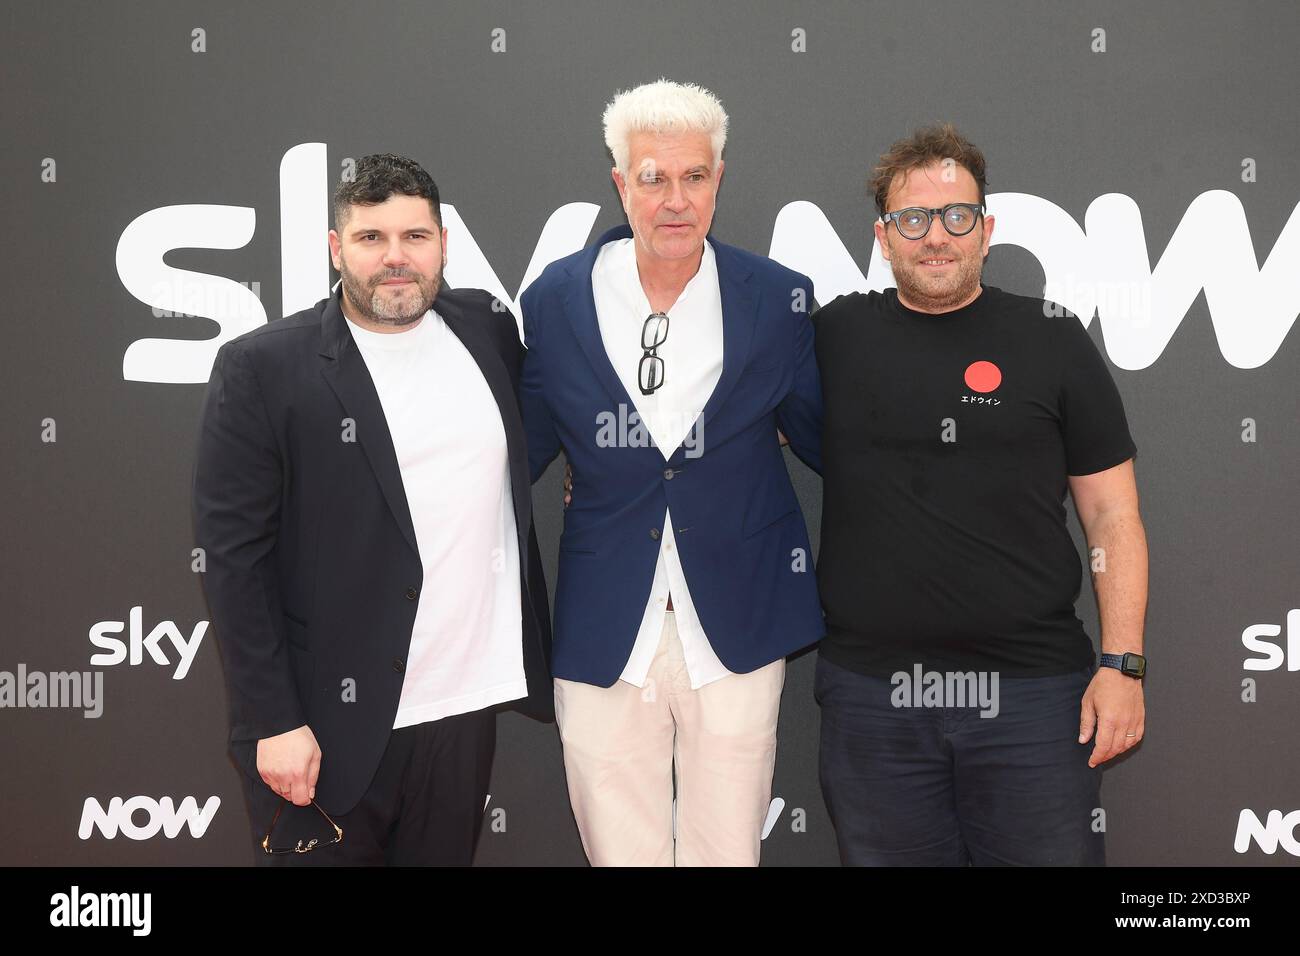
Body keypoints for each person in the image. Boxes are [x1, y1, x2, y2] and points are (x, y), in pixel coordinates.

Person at [193, 153, 553, 866]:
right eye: (370, 238)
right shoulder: (264, 367)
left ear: (444, 242)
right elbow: (233, 560)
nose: (395, 258)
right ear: (336, 248)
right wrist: (274, 720)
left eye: (414, 237)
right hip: (325, 727)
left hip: (461, 711)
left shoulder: (486, 330)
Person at [812, 123, 1148, 865]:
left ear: (986, 229)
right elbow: (728, 416)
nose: (937, 236)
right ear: (884, 236)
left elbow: (1112, 512)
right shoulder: (831, 337)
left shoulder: (1051, 337)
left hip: (1032, 695)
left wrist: (1122, 664)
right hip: (875, 699)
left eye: (957, 216)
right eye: (914, 219)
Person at [519, 79, 823, 866]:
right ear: (621, 183)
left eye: (694, 176)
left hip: (738, 617)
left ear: (720, 178)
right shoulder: (556, 298)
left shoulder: (778, 298)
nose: (675, 199)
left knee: (728, 853)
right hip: (603, 622)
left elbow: (829, 438)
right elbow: (520, 444)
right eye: (653, 178)